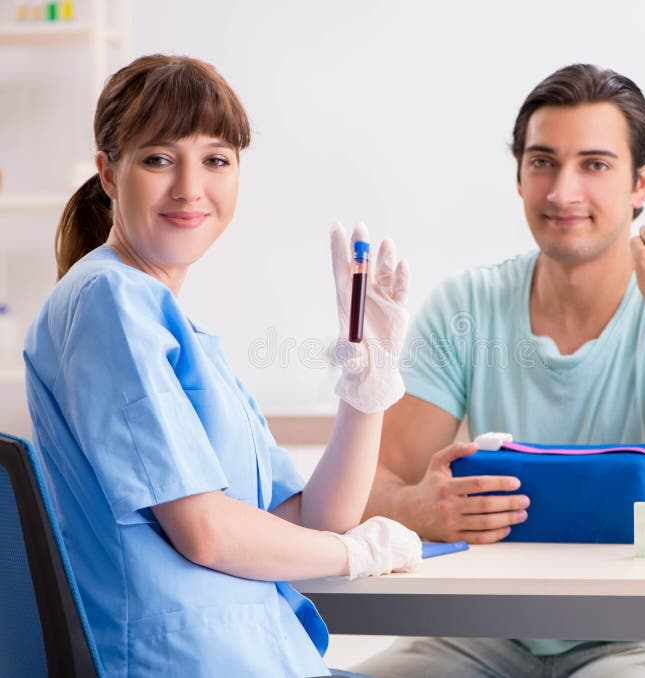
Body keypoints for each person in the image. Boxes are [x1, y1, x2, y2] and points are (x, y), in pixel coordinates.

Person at [357, 64, 645, 676]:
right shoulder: (465, 306)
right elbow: (371, 485)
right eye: (543, 162)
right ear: (519, 176)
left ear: (640, 182)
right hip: (488, 629)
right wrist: (421, 508)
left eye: (595, 165)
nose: (562, 192)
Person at [23, 54, 422, 678]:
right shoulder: (110, 300)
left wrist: (365, 384)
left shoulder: (179, 330)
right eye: (158, 158)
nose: (189, 187)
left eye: (216, 159)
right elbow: (206, 532)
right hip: (181, 661)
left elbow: (310, 518)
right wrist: (352, 555)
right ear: (108, 173)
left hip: (246, 653)